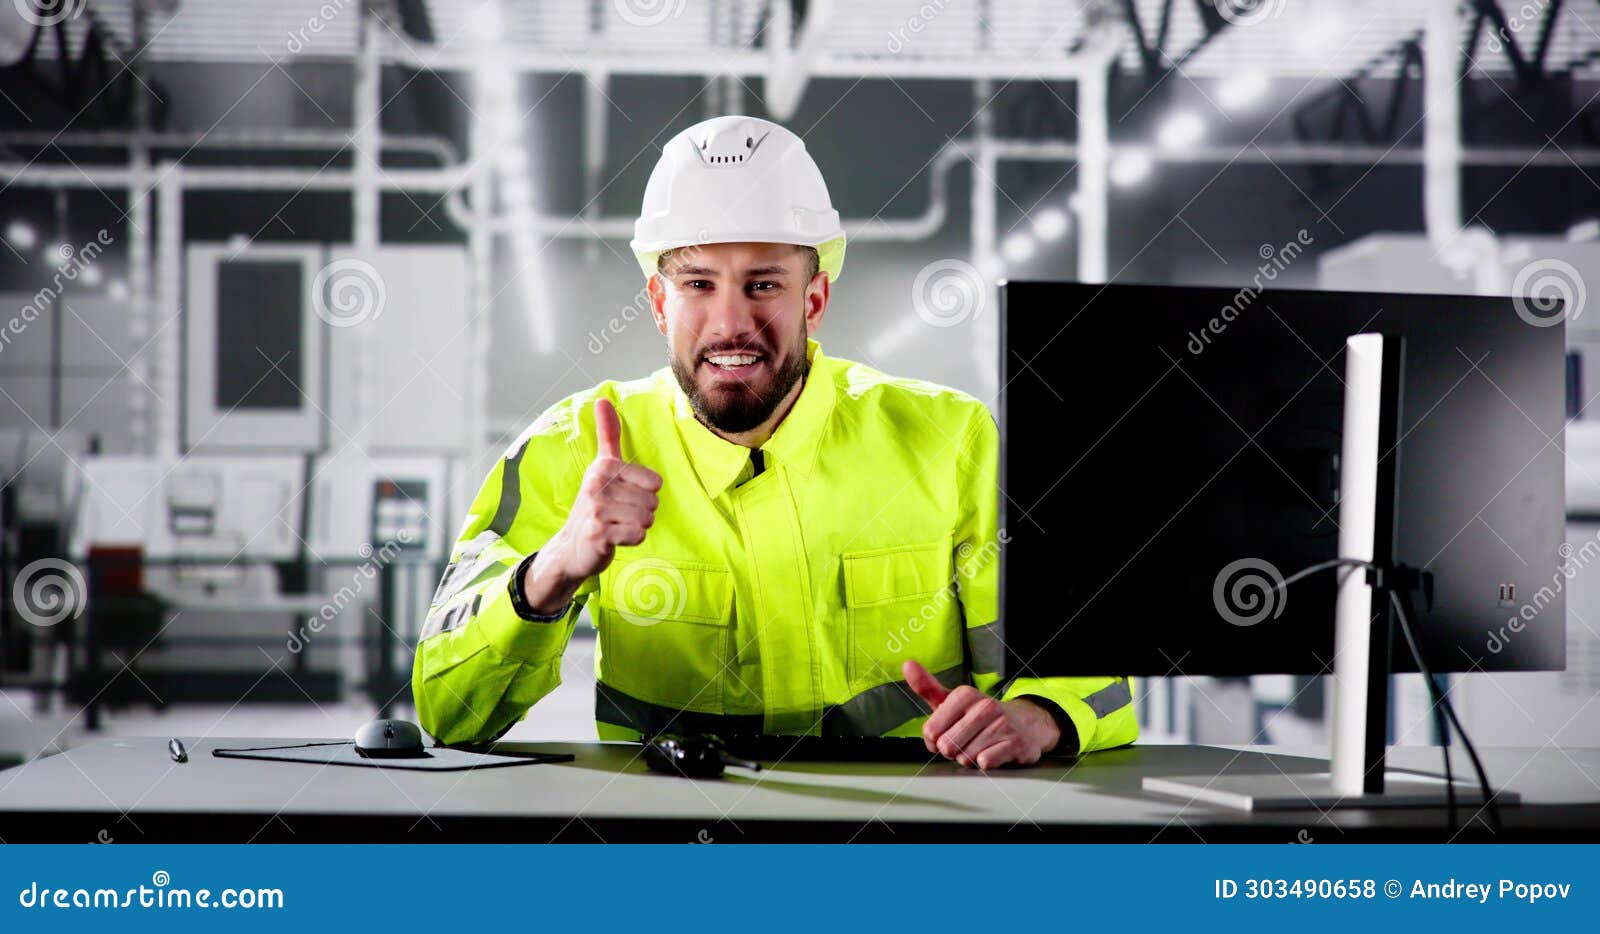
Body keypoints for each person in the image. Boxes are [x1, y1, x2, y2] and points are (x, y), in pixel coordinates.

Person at [412, 115, 1137, 768]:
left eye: (763, 285)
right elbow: (448, 709)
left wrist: (1040, 715)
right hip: (669, 848)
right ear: (659, 302)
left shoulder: (949, 440)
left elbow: (1091, 667)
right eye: (698, 284)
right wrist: (551, 571)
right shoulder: (573, 450)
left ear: (813, 300)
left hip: (904, 841)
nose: (731, 323)